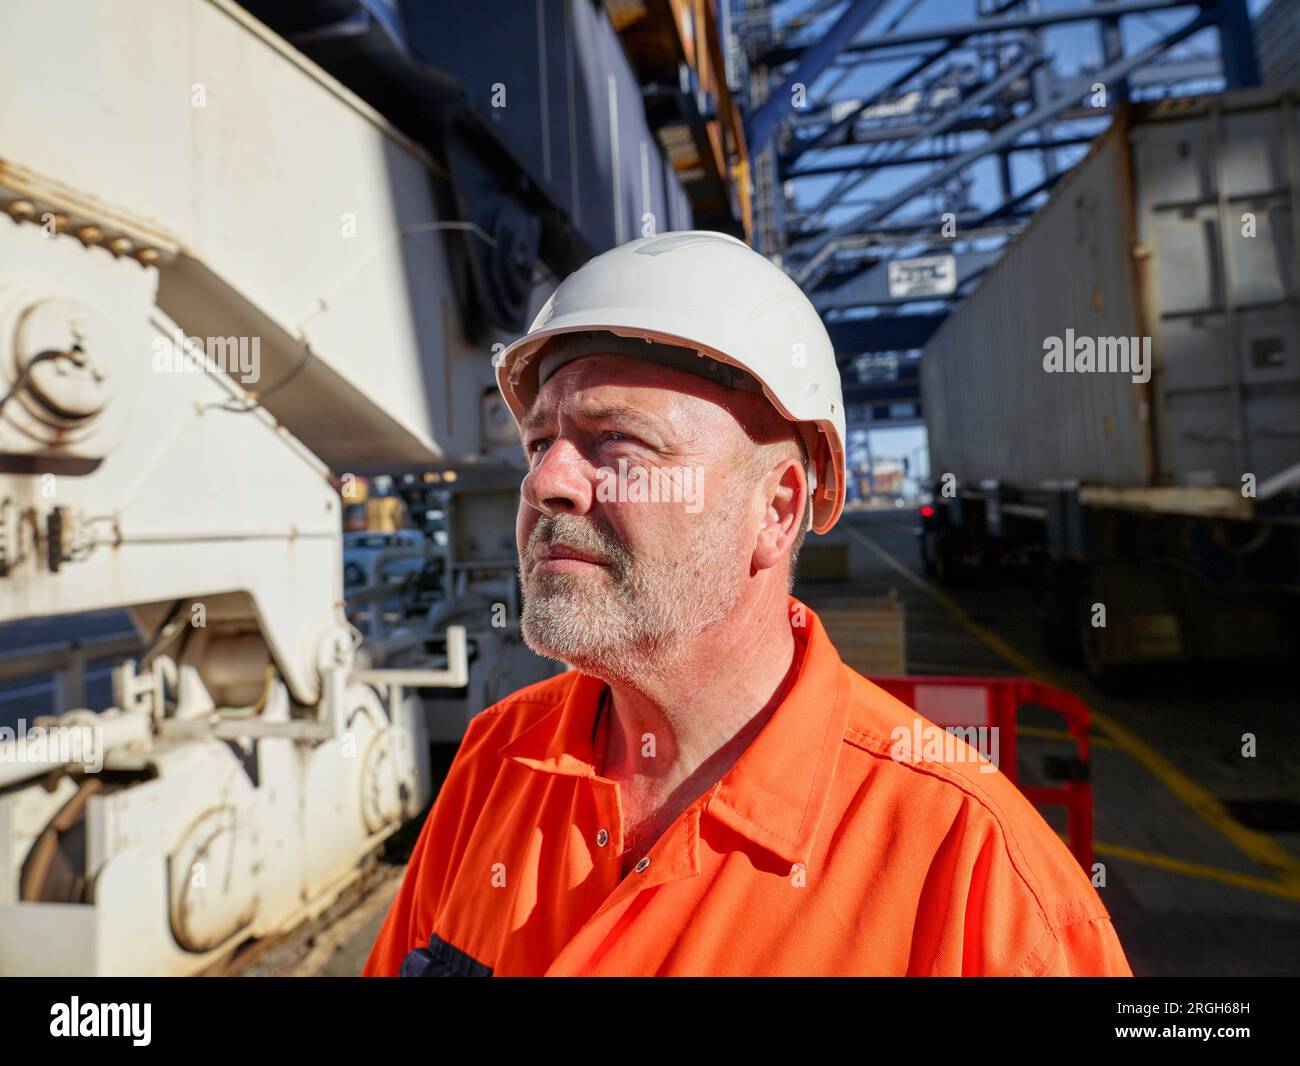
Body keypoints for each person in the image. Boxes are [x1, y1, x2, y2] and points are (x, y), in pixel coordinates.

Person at [362, 230, 1131, 976]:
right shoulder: (497, 759)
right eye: (539, 445)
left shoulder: (974, 873)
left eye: (617, 444)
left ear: (776, 510)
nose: (544, 482)